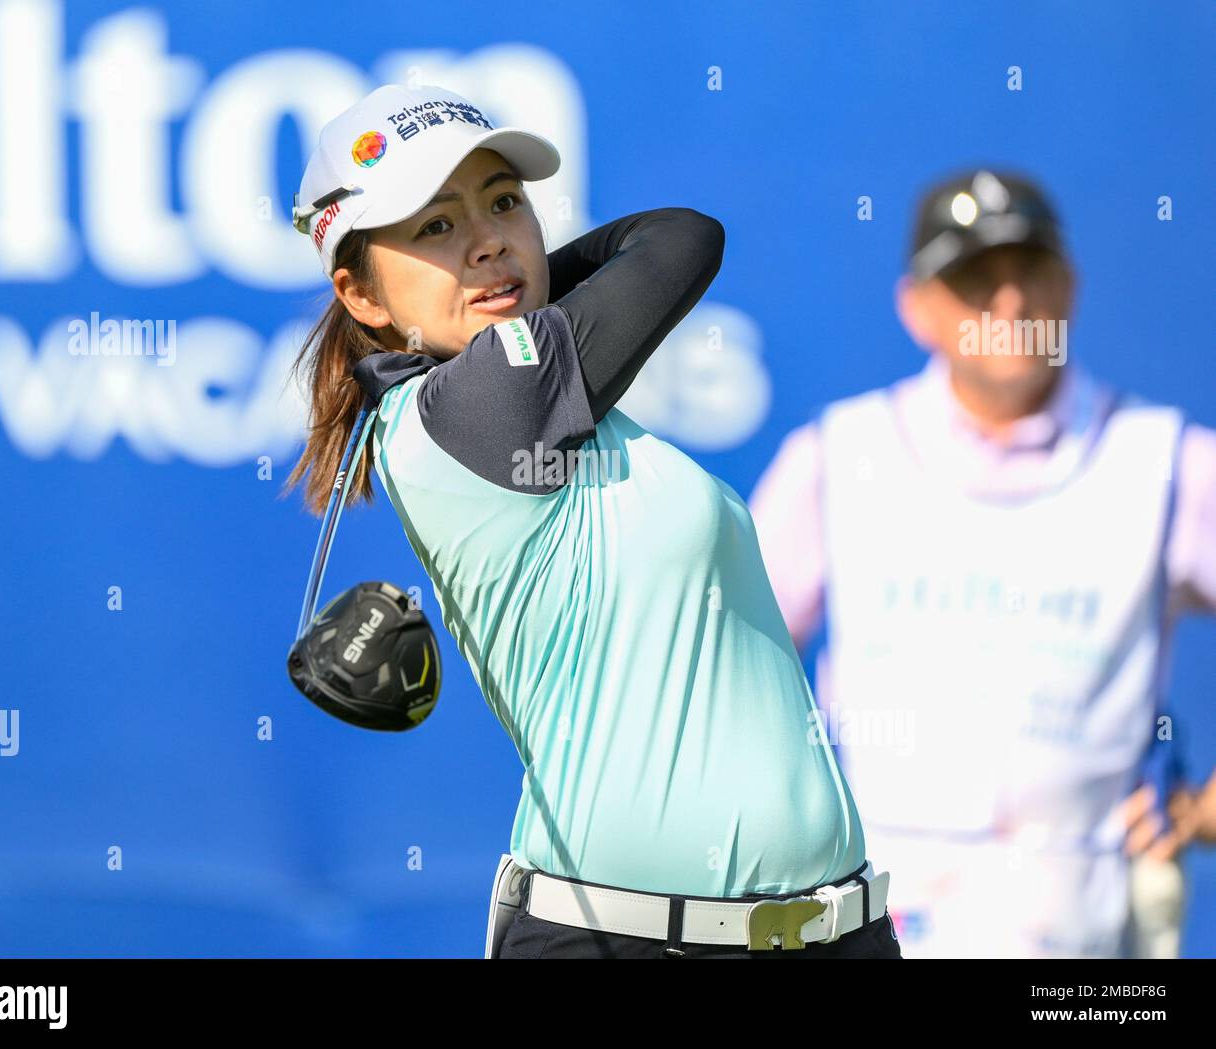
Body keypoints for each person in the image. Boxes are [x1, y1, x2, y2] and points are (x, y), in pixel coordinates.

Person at [282, 83, 900, 958]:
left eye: (503, 203)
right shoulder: (470, 407)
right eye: (435, 226)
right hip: (625, 943)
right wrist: (519, 283)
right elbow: (683, 238)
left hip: (838, 934)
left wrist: (501, 282)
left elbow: (660, 246)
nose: (488, 238)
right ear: (361, 294)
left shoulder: (552, 404)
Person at [748, 168, 1216, 958]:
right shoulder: (841, 457)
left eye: (1027, 271)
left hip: (1086, 948)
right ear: (918, 308)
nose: (1007, 304)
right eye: (973, 280)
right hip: (875, 922)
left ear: (1067, 286)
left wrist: (1205, 811)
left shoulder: (1164, 460)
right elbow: (725, 663)